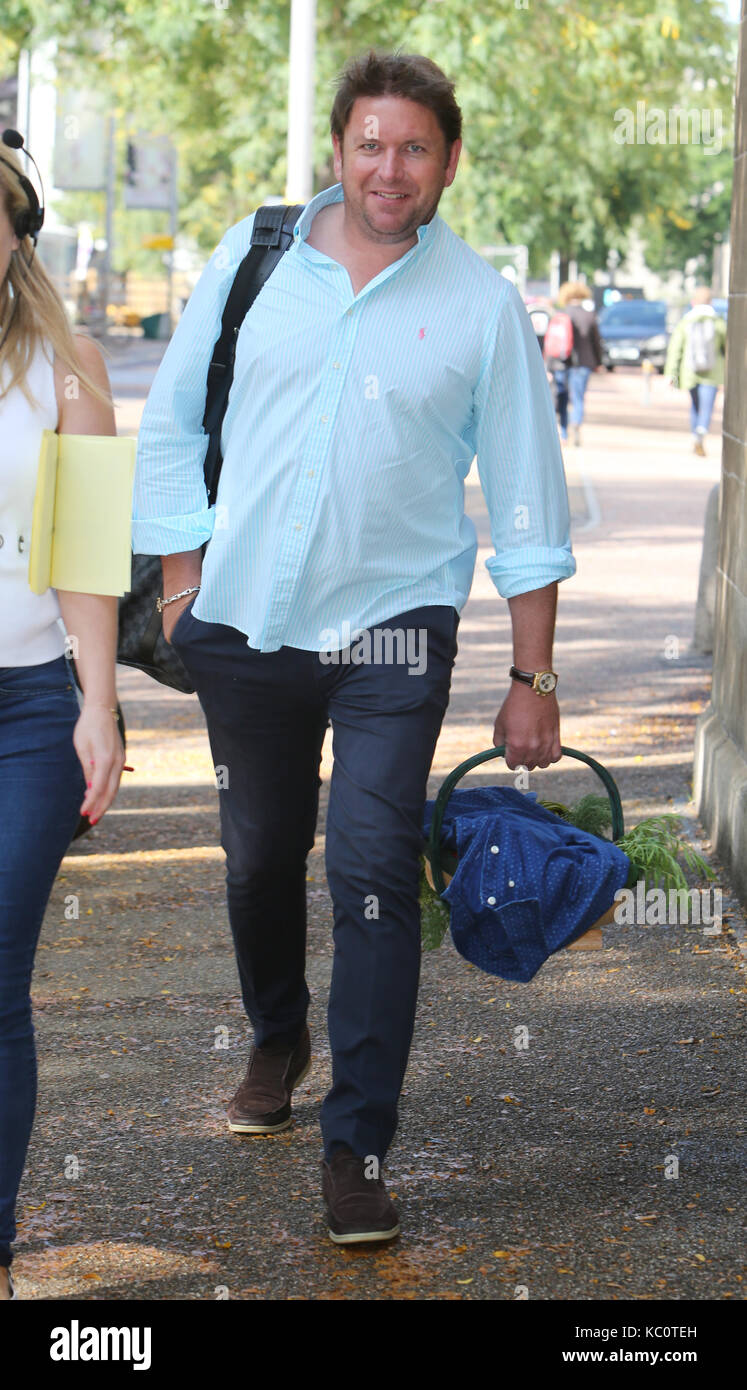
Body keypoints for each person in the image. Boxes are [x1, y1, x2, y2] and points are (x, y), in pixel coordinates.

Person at [133, 49, 576, 1246]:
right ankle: (277, 1029)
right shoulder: (258, 253)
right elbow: (174, 417)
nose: (391, 168)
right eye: (371, 144)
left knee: (373, 873)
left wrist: (532, 677)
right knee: (257, 857)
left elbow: (528, 497)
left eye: (415, 148)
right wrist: (180, 588)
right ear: (339, 149)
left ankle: (358, 1146)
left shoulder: (482, 305)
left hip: (394, 628)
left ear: (448, 162)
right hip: (247, 624)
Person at [0, 138, 125, 1300]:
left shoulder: (68, 369)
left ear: (16, 233)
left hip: (29, 708)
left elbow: (86, 556)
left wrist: (99, 705)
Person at [665, 286, 726, 456]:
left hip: (689, 372)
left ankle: (695, 435)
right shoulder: (717, 321)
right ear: (710, 302)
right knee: (707, 408)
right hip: (713, 373)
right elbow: (728, 346)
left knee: (695, 406)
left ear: (694, 302)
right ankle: (701, 432)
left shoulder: (686, 321)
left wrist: (672, 376)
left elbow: (675, 350)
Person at [547, 281, 603, 447]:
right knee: (578, 397)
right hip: (583, 363)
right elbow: (596, 342)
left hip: (561, 363)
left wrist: (548, 366)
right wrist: (598, 362)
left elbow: (552, 342)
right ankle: (576, 423)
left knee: (562, 397)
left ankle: (563, 433)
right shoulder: (589, 315)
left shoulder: (560, 314)